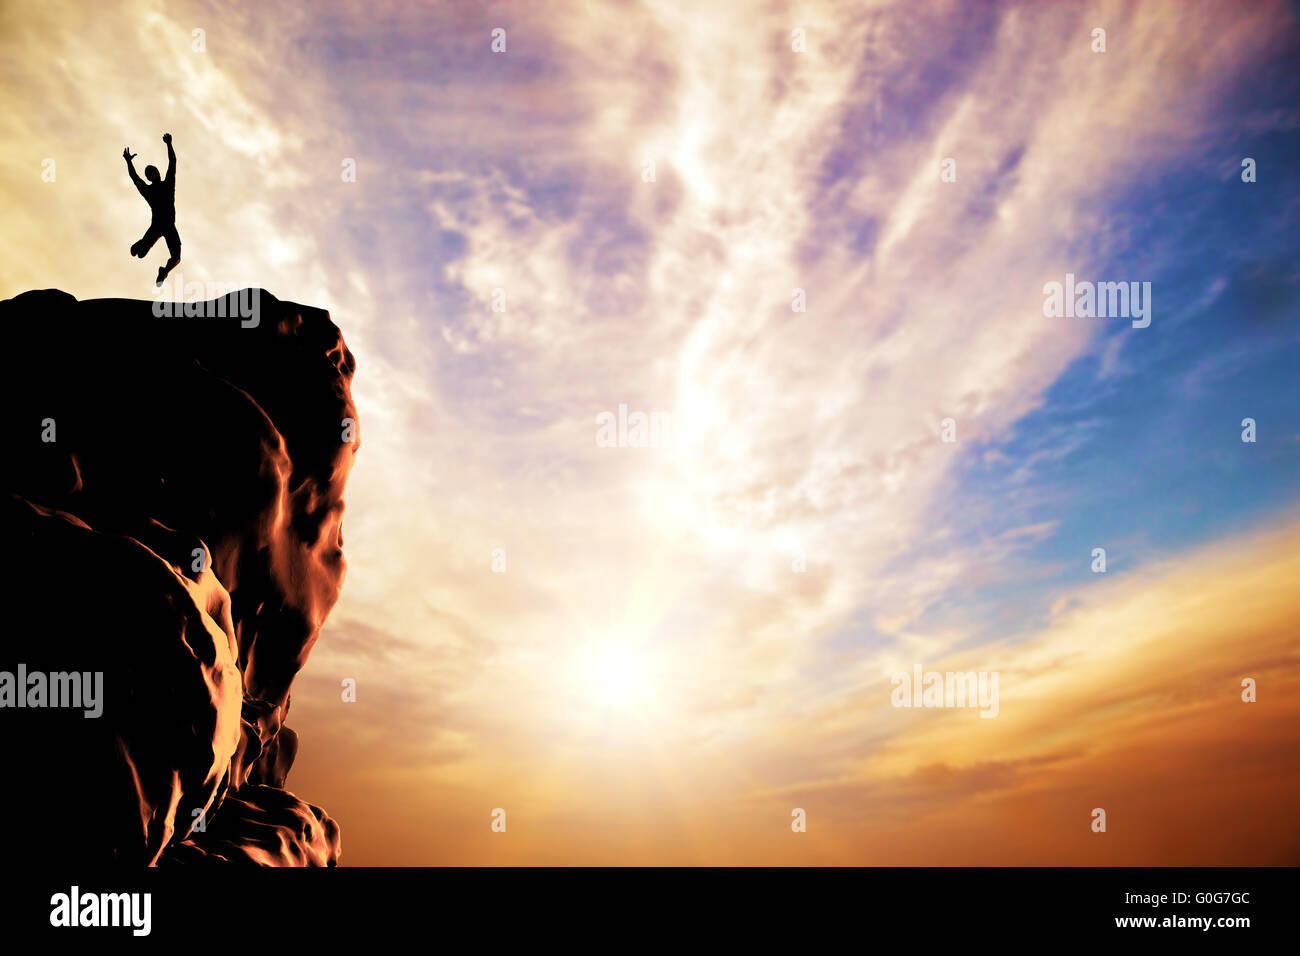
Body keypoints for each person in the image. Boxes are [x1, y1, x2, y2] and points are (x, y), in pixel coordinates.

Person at [124, 133, 180, 286]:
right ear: (150, 177)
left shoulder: (164, 186)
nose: (154, 173)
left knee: (176, 257)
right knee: (140, 254)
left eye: (153, 171)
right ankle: (141, 245)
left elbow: (173, 162)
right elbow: (135, 178)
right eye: (151, 173)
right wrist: (168, 144)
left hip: (166, 227)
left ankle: (164, 271)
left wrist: (169, 144)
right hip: (160, 226)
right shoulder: (160, 187)